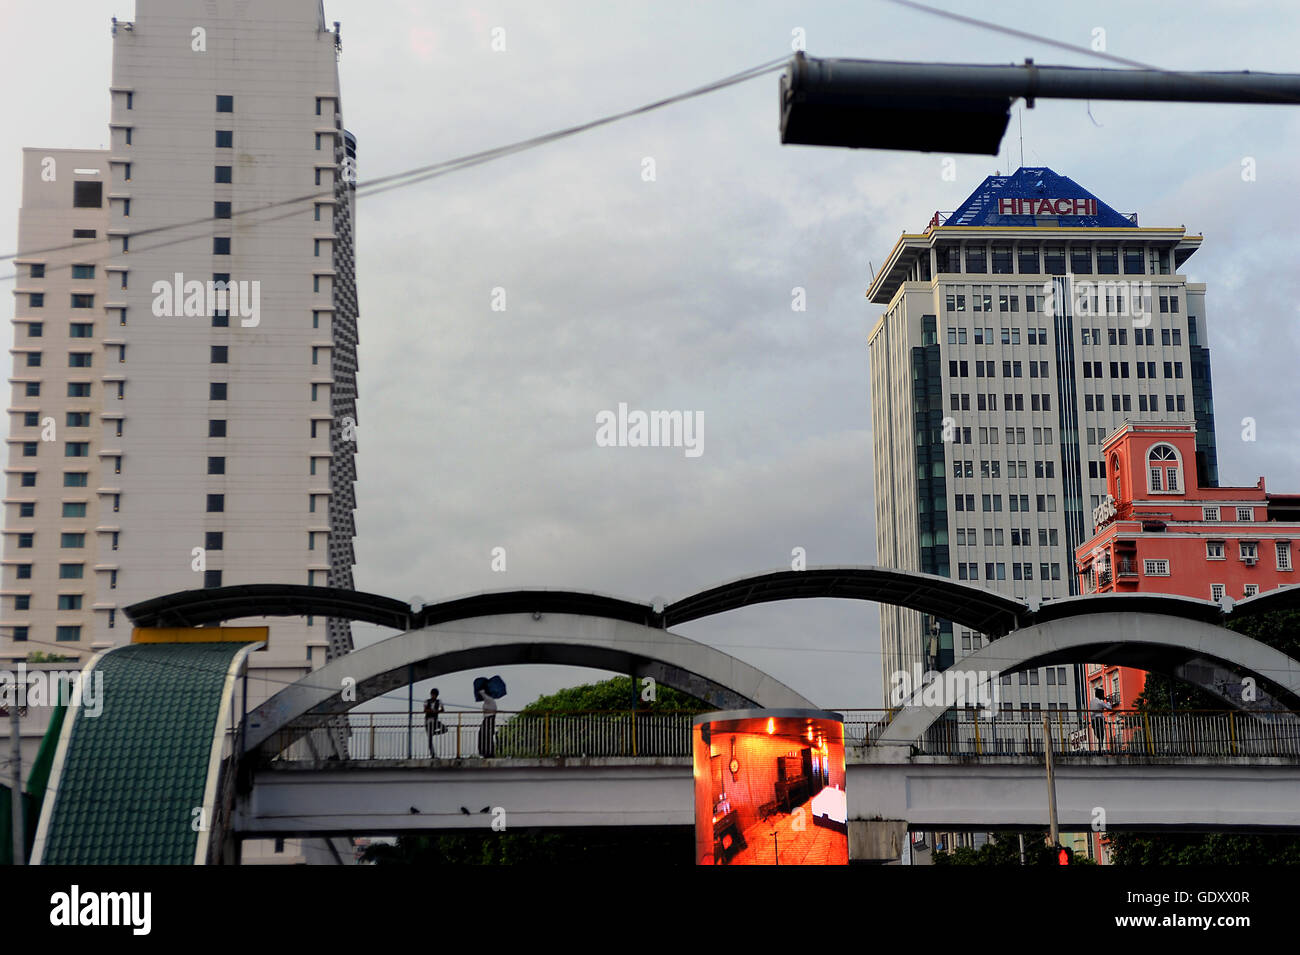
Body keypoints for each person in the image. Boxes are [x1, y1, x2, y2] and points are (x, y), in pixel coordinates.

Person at [1089, 686, 1113, 751]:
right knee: (1101, 735)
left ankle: (1100, 748)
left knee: (1098, 735)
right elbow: (1109, 708)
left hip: (1093, 720)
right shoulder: (1100, 702)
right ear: (1100, 695)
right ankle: (1100, 748)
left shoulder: (1092, 701)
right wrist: (1107, 701)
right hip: (1099, 720)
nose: (1103, 695)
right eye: (1102, 694)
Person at [423, 688, 445, 757]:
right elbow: (425, 710)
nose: (433, 696)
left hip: (435, 721)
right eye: (433, 695)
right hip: (428, 722)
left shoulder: (439, 701)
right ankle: (432, 754)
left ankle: (434, 733)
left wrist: (436, 711)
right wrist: (432, 711)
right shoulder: (427, 701)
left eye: (435, 695)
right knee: (430, 740)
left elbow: (442, 709)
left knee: (445, 729)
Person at [477, 687, 497, 758]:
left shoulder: (489, 699)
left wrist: (482, 688)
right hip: (489, 719)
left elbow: (481, 692)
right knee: (486, 736)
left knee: (485, 735)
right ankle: (487, 752)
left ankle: (487, 752)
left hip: (489, 719)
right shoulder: (490, 700)